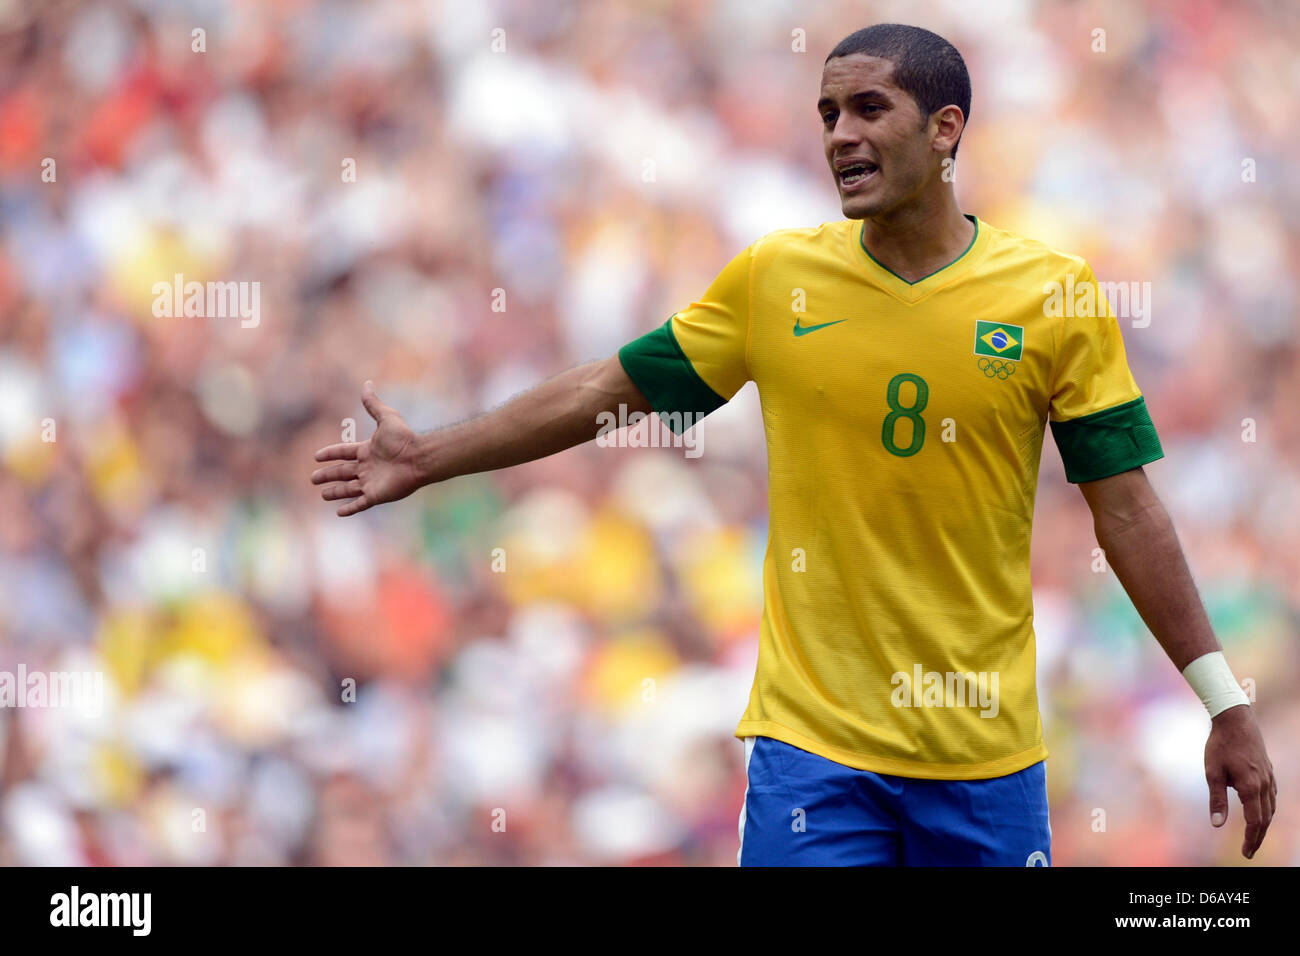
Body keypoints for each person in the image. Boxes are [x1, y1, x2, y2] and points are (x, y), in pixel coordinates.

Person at [311, 23, 1276, 866]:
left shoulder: (1052, 295)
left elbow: (1127, 508)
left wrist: (1223, 701)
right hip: (814, 753)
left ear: (947, 130)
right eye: (826, 114)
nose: (840, 135)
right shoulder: (778, 281)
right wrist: (432, 454)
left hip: (984, 757)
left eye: (868, 108)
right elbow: (608, 391)